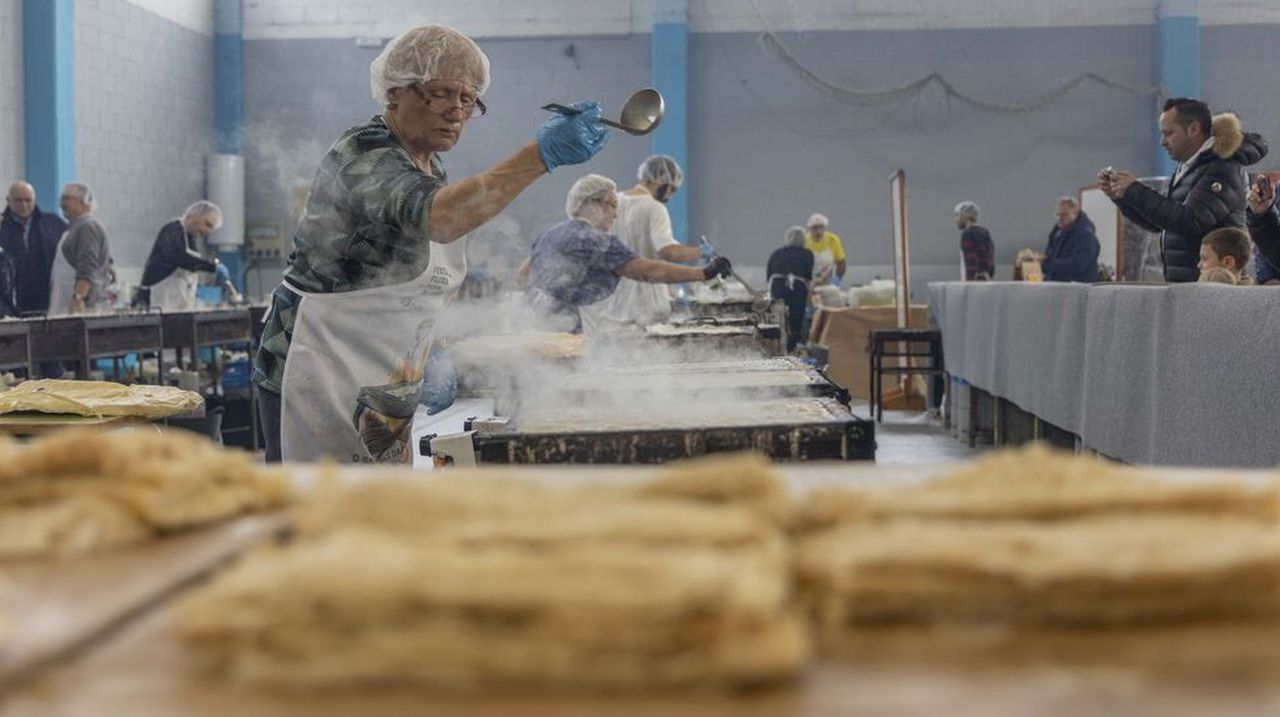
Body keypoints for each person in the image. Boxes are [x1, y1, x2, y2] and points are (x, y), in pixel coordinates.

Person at [252, 24, 610, 464]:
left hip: (380, 377)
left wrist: (432, 345)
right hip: (320, 369)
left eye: (467, 99)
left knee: (378, 514)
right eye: (440, 93)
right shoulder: (366, 153)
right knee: (320, 514)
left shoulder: (427, 167)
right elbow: (440, 217)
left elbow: (410, 277)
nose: (455, 111)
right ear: (394, 93)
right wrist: (539, 155)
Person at [524, 174, 731, 333]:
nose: (615, 214)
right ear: (596, 204)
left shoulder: (549, 234)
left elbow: (522, 275)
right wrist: (704, 273)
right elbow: (648, 271)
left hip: (532, 324)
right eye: (613, 205)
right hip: (563, 330)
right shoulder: (595, 241)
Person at [1099, 98, 1268, 283]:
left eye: (1169, 133)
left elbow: (1191, 220)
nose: (1163, 142)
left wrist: (1135, 190)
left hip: (1213, 289)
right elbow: (1161, 222)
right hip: (1188, 285)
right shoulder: (1189, 169)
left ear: (1194, 129)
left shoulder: (1222, 169)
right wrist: (1122, 196)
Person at [604, 155, 706, 326]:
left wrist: (668, 288)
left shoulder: (615, 202)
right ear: (662, 181)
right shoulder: (655, 207)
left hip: (615, 301)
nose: (670, 196)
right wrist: (700, 252)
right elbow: (668, 251)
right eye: (672, 190)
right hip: (647, 304)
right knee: (651, 350)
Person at [139, 200, 232, 311]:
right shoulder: (172, 230)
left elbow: (191, 265)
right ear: (195, 215)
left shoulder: (190, 240)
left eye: (211, 229)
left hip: (180, 307)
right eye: (207, 224)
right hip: (161, 303)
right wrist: (212, 267)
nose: (207, 231)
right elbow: (180, 258)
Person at [0, 181, 66, 315]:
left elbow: (75, 244)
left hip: (46, 296)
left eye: (28, 200)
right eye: (18, 200)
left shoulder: (52, 223)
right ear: (8, 200)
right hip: (10, 301)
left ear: (35, 200)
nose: (24, 205)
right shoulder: (1, 225)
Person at [49, 182, 113, 316]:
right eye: (61, 199)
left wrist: (78, 299)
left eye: (66, 199)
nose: (61, 204)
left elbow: (87, 268)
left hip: (80, 310)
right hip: (64, 306)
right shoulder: (73, 228)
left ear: (83, 202)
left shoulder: (87, 227)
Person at [766, 226, 814, 353]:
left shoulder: (776, 253)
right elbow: (808, 277)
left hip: (777, 287)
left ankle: (776, 347)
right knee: (795, 320)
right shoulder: (807, 254)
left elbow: (769, 275)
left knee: (778, 318)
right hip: (797, 288)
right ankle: (792, 347)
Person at [1033, 197, 1100, 283]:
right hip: (1057, 286)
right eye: (1057, 214)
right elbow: (1051, 257)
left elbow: (1077, 265)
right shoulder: (1057, 232)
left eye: (1064, 215)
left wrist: (1046, 264)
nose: (1059, 218)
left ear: (1075, 214)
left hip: (1076, 289)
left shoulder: (1086, 236)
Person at [804, 213, 847, 286]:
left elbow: (841, 263)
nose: (819, 231)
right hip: (808, 283)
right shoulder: (804, 241)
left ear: (825, 227)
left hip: (827, 282)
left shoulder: (833, 240)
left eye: (821, 227)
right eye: (815, 228)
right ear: (809, 229)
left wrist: (836, 280)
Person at [955, 201, 993, 281]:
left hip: (972, 283)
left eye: (957, 215)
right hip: (985, 279)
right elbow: (990, 255)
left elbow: (970, 259)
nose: (955, 220)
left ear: (965, 216)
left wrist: (970, 281)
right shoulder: (985, 232)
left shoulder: (967, 234)